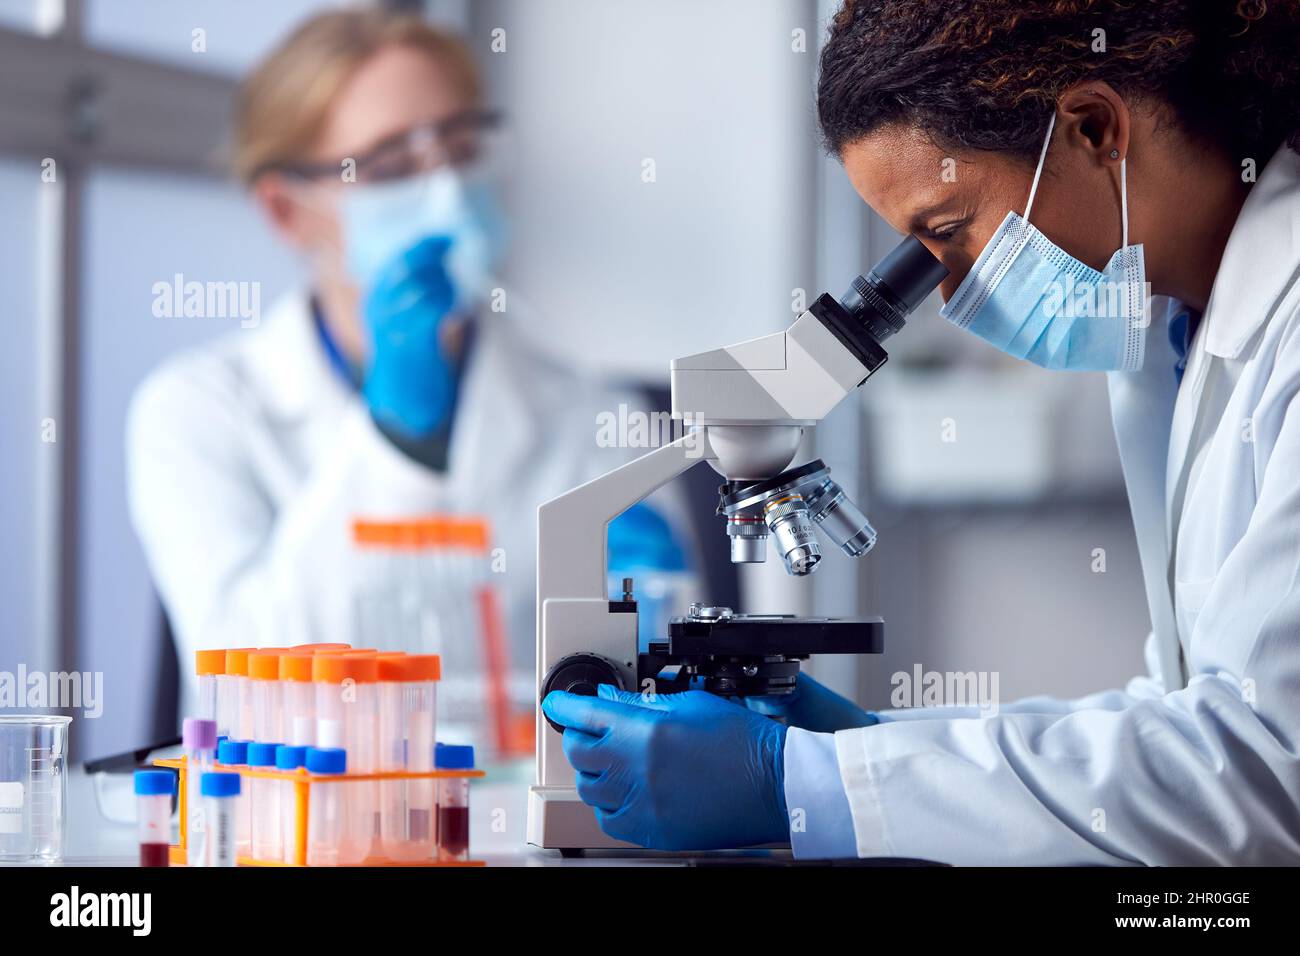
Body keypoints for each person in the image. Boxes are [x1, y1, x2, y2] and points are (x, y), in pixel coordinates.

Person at [543, 0, 1300, 864]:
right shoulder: (1173, 342)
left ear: (1095, 129)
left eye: (945, 231)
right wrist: (864, 753)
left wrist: (798, 783)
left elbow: (1261, 774)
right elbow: (1176, 722)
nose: (944, 291)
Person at [126, 11, 689, 729]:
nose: (447, 190)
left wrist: (649, 622)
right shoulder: (198, 413)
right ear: (286, 210)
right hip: (305, 801)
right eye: (390, 168)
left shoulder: (594, 414)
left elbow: (667, 696)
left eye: (461, 148)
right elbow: (243, 688)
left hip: (518, 802)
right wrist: (396, 442)